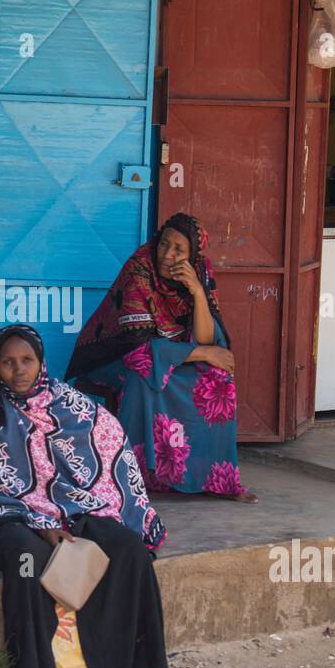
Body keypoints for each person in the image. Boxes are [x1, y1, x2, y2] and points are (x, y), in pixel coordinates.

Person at [0, 324, 172, 668]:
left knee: (129, 550)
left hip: (72, 508)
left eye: (27, 360)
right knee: (27, 561)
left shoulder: (72, 405)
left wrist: (80, 511)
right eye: (8, 362)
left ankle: (139, 659)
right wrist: (41, 526)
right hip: (3, 521)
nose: (18, 370)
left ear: (41, 363)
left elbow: (111, 454)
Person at [65, 212, 258, 503]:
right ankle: (130, 476)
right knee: (143, 371)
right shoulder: (140, 269)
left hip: (170, 356)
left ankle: (214, 478)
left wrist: (197, 293)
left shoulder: (200, 273)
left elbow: (206, 337)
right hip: (115, 357)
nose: (167, 255)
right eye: (164, 245)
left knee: (217, 378)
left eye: (179, 250)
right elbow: (137, 343)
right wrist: (203, 353)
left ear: (192, 256)